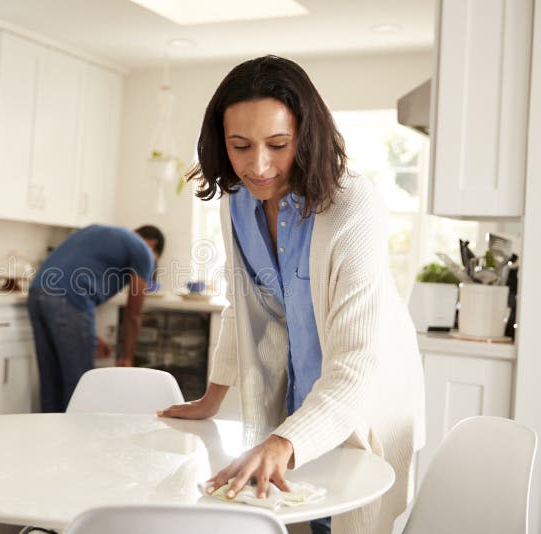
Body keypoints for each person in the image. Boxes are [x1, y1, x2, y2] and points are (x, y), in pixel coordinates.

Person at [158, 56, 425, 534]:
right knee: (283, 519)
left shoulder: (352, 206)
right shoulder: (237, 202)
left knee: (348, 523)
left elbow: (355, 369)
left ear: (306, 137)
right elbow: (245, 305)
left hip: (365, 398)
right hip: (298, 399)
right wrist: (211, 397)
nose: (258, 166)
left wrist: (283, 442)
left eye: (277, 145)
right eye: (240, 146)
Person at [28, 224, 164, 413]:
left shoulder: (105, 233)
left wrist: (90, 337)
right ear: (153, 245)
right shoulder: (144, 252)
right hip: (68, 298)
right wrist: (126, 359)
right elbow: (133, 314)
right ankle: (79, 440)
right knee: (82, 385)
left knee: (51, 382)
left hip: (36, 293)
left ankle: (51, 440)